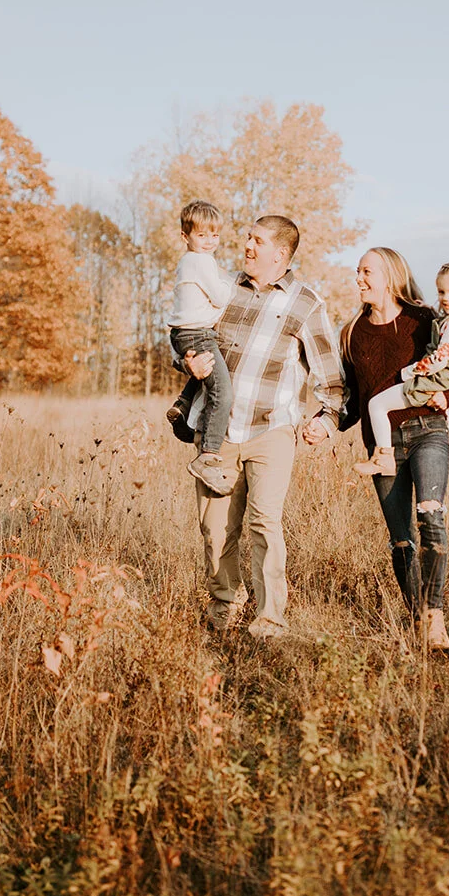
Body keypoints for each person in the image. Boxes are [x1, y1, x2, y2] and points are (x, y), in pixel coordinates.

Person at [182, 215, 345, 639]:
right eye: (248, 239)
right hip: (217, 434)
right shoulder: (223, 288)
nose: (247, 246)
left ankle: (271, 618)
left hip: (272, 430)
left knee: (264, 522)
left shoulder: (305, 302)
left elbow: (330, 376)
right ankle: (224, 605)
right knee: (216, 529)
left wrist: (326, 419)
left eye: (256, 241)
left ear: (281, 253)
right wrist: (186, 360)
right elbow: (188, 333)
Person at [335, 247, 449, 650]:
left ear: (390, 277)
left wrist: (444, 396)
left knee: (430, 518)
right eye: (358, 271)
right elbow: (353, 397)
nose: (359, 278)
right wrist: (323, 421)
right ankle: (417, 618)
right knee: (402, 540)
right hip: (383, 445)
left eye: (366, 271)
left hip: (428, 431)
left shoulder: (425, 319)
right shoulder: (351, 333)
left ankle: (435, 617)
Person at [355, 259, 449, 476]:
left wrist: (409, 372)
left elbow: (440, 358)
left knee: (376, 405)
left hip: (434, 376)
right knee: (433, 400)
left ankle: (383, 459)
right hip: (442, 380)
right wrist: (426, 308)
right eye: (442, 292)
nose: (446, 298)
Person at [167, 200, 238, 495]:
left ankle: (182, 405)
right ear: (186, 237)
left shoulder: (185, 262)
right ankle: (208, 455)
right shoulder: (202, 262)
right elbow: (221, 297)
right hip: (198, 335)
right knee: (223, 394)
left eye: (214, 235)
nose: (209, 242)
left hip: (183, 334)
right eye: (202, 235)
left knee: (207, 375)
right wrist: (234, 283)